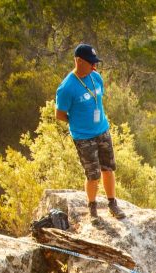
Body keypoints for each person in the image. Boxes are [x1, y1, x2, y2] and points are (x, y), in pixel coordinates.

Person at [55, 43, 125, 220]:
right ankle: (92, 208)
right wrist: (77, 123)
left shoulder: (96, 77)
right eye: (91, 62)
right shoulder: (66, 87)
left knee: (108, 169)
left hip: (102, 130)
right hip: (84, 137)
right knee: (93, 175)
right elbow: (59, 114)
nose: (94, 66)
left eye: (95, 63)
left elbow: (98, 100)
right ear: (79, 61)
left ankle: (112, 203)